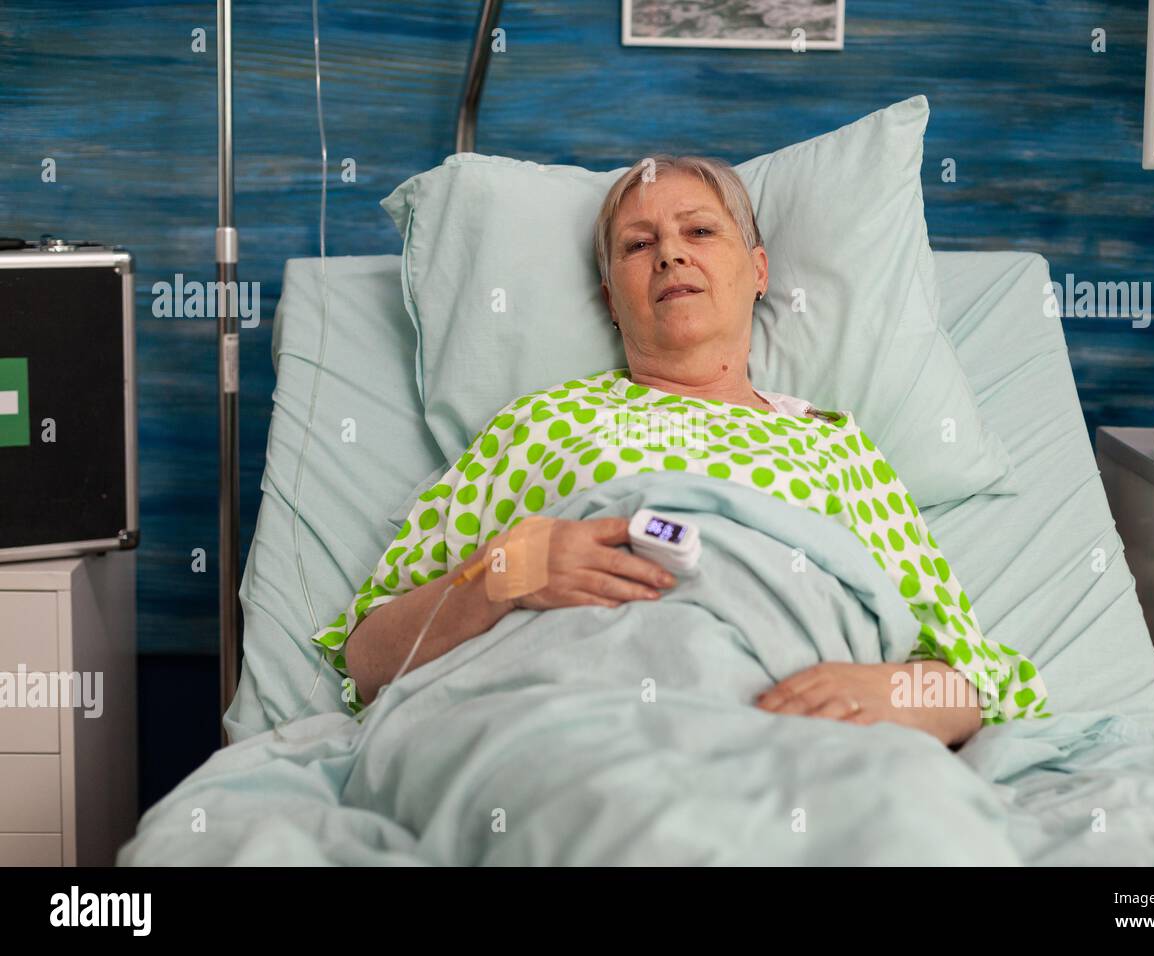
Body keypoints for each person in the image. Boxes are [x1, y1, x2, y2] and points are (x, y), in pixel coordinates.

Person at [310, 154, 1050, 748]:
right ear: (610, 296)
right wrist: (504, 574)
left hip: (796, 740)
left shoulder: (833, 444)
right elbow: (373, 659)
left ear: (758, 272)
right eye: (638, 245)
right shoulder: (540, 425)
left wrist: (890, 693)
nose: (669, 255)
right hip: (570, 732)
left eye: (699, 232)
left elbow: (972, 681)